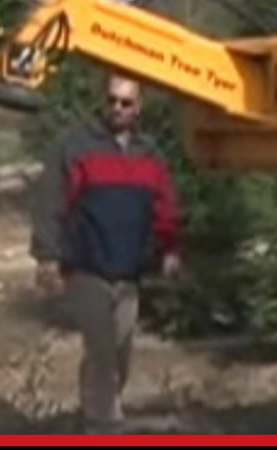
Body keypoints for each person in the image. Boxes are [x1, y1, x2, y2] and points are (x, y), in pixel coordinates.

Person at [30, 72, 183, 431]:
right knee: (101, 350)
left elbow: (165, 208)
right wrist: (47, 256)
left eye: (125, 102)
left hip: (127, 272)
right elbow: (49, 201)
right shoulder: (77, 147)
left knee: (120, 354)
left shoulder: (150, 155)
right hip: (85, 268)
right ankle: (105, 424)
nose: (117, 108)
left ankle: (90, 417)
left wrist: (170, 249)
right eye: (112, 100)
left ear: (138, 107)